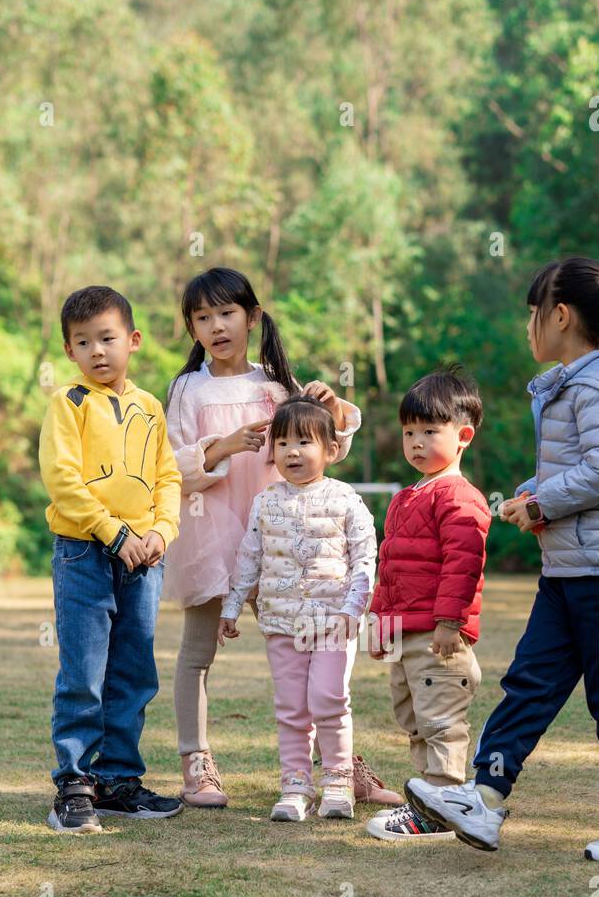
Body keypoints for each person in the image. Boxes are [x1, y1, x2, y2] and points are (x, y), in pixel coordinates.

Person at [407, 256, 599, 860]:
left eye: (532, 314)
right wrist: (533, 497)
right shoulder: (574, 384)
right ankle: (483, 799)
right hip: (566, 569)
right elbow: (578, 471)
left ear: (560, 316)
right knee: (528, 685)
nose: (526, 326)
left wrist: (540, 507)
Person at [164, 266, 400, 809]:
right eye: (203, 317)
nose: (217, 326)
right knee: (198, 651)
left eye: (227, 313)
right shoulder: (187, 389)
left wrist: (334, 407)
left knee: (312, 653)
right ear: (192, 328)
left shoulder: (276, 384)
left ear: (253, 318)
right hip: (214, 530)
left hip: (288, 537)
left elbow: (324, 446)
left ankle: (340, 769)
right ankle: (195, 764)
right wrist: (221, 447)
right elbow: (170, 467)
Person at [39, 285, 183, 833]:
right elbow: (63, 480)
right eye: (83, 342)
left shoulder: (149, 406)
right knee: (84, 670)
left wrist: (161, 531)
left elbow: (167, 476)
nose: (97, 351)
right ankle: (74, 785)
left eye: (107, 338)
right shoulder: (68, 404)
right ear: (70, 351)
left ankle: (118, 780)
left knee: (133, 670)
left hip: (144, 559)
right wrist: (115, 534)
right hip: (85, 553)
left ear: (133, 340)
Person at [218, 395, 377, 822]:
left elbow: (365, 557)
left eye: (304, 442)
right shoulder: (265, 501)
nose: (292, 451)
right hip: (281, 623)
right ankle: (295, 785)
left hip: (332, 623)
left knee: (329, 699)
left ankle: (339, 783)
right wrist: (232, 606)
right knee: (291, 708)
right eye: (283, 442)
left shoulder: (346, 499)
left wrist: (353, 608)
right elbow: (249, 557)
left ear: (330, 449)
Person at [365, 369, 492, 841]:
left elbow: (464, 565)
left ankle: (443, 801)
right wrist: (379, 624)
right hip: (404, 635)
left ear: (462, 436)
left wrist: (448, 622)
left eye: (429, 431)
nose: (416, 442)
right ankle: (428, 801)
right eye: (409, 432)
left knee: (441, 720)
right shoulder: (404, 499)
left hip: (439, 639)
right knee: (415, 719)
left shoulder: (461, 498)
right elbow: (390, 569)